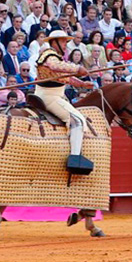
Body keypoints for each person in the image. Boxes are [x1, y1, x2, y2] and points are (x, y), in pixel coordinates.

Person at [34, 30, 94, 169]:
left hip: (53, 95)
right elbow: (57, 67)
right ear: (53, 42)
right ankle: (75, 159)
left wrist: (82, 84)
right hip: (49, 97)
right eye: (62, 41)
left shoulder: (54, 56)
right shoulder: (49, 55)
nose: (65, 45)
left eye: (66, 42)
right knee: (77, 120)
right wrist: (77, 67)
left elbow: (64, 77)